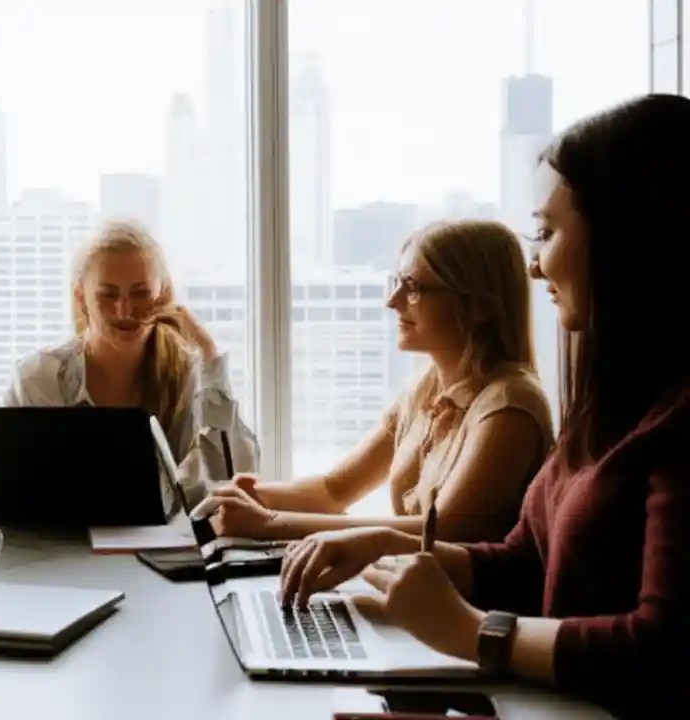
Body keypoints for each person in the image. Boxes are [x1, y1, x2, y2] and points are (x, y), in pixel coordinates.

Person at [277, 94, 690, 718]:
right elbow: (526, 559)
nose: (533, 263)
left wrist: (474, 632)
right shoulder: (612, 409)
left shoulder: (680, 423)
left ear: (630, 239)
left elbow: (662, 650)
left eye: (547, 233)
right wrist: (385, 546)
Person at [209, 220, 553, 543]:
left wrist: (270, 524)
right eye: (397, 283)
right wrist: (256, 497)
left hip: (459, 605)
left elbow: (443, 533)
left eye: (414, 288)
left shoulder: (510, 405)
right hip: (413, 593)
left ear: (479, 305)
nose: (393, 301)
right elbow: (335, 489)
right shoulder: (425, 391)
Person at [5, 218, 259, 497]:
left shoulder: (188, 375)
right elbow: (9, 484)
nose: (125, 311)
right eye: (107, 295)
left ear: (161, 294)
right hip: (62, 538)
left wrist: (209, 354)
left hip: (166, 539)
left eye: (140, 293)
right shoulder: (39, 378)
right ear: (81, 297)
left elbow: (234, 478)